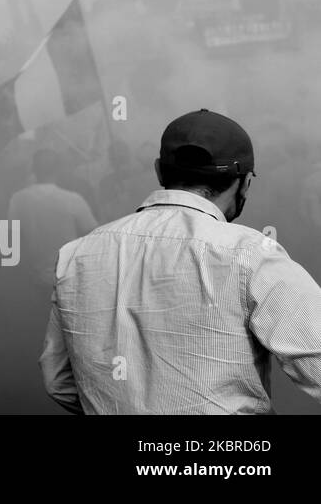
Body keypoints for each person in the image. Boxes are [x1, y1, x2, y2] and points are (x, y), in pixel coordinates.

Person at [40, 109, 321, 414]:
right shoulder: (251, 253)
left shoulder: (77, 254)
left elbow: (59, 381)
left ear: (160, 171)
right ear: (245, 183)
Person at [7, 149, 97, 289]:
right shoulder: (73, 199)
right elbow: (93, 234)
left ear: (33, 169)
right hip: (68, 277)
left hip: (33, 278)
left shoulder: (18, 199)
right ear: (58, 169)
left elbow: (13, 238)